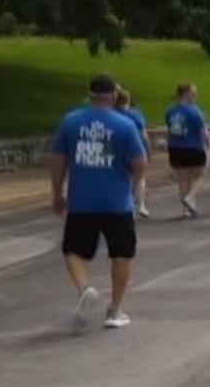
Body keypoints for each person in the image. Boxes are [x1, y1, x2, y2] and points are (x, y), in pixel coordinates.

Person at [51, 74, 147, 329]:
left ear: (90, 94)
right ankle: (115, 311)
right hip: (117, 202)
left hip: (82, 201)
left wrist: (57, 193)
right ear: (114, 95)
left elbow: (58, 162)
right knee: (122, 254)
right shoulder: (125, 125)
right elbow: (140, 163)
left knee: (72, 250)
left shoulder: (70, 122)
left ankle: (84, 287)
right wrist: (131, 179)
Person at [165, 83, 209, 217]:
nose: (195, 96)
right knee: (200, 175)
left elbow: (169, 130)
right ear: (185, 94)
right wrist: (209, 145)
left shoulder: (170, 111)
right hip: (193, 147)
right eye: (193, 93)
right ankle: (190, 197)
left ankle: (186, 209)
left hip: (176, 148)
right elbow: (203, 131)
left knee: (183, 179)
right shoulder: (195, 111)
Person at [114, 88, 152, 218]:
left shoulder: (112, 114)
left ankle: (123, 203)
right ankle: (141, 204)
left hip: (117, 150)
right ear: (128, 100)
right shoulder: (135, 115)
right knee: (140, 177)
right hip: (136, 150)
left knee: (121, 176)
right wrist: (148, 150)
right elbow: (144, 135)